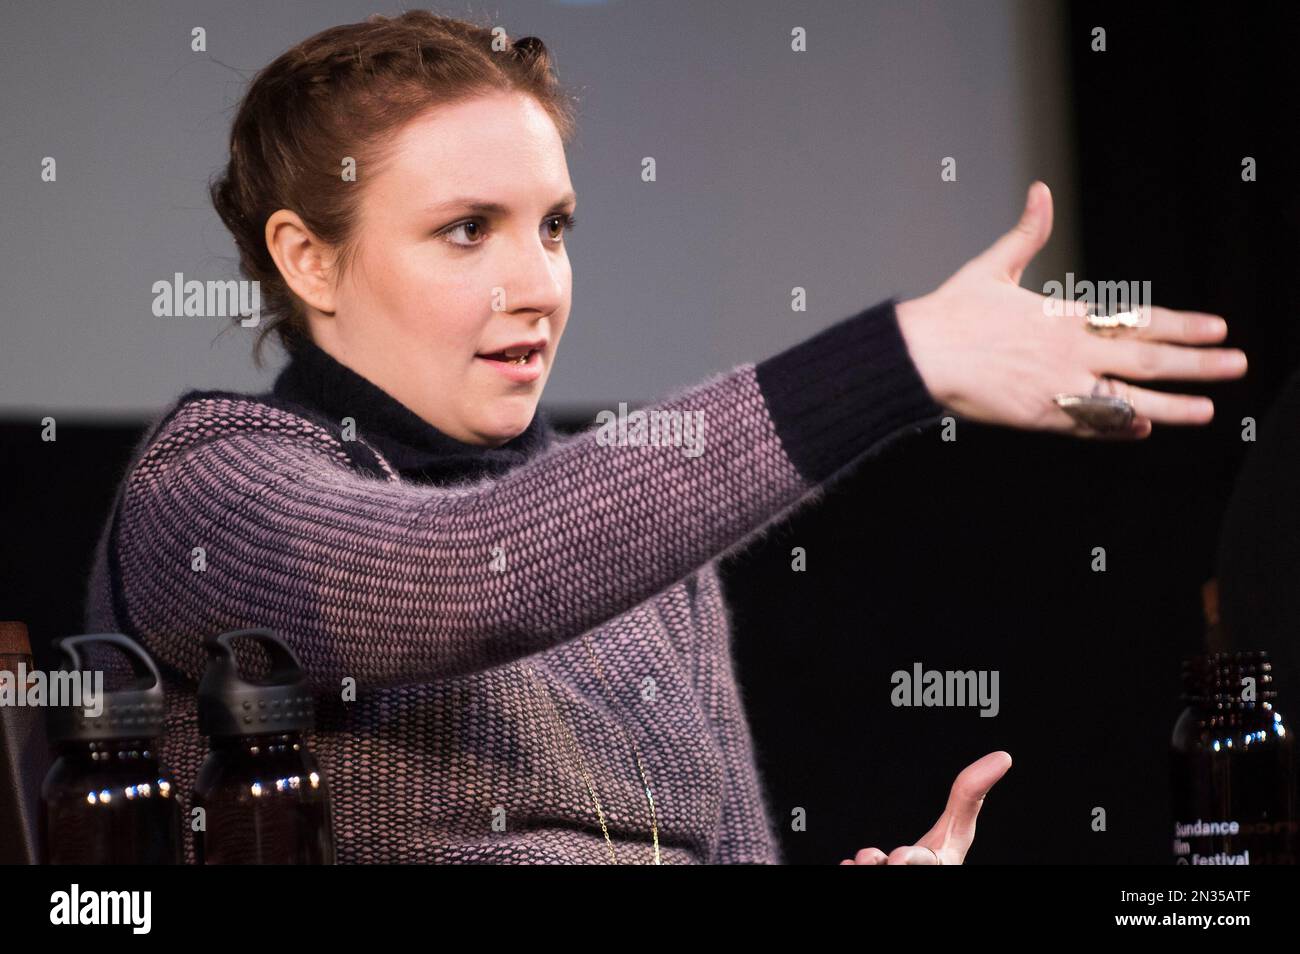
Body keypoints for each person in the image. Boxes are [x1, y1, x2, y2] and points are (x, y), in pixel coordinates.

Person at [84, 11, 1246, 864]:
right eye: (465, 231)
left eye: (554, 226)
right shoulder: (215, 484)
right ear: (307, 258)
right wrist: (898, 360)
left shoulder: (636, 543)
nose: (536, 283)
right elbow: (467, 574)